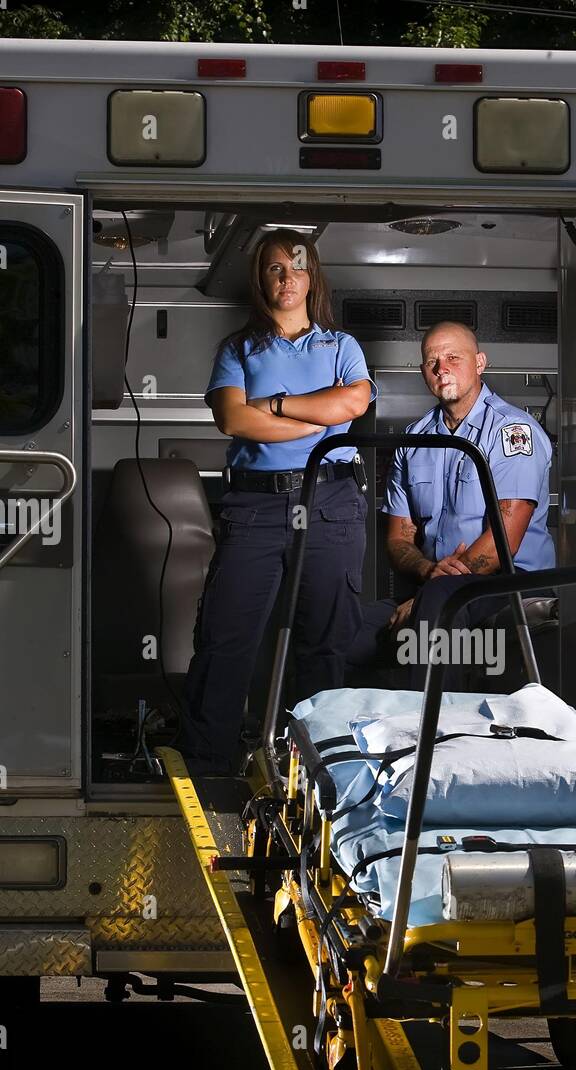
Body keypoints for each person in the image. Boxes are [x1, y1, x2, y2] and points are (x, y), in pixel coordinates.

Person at [177, 228, 376, 772]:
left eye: (298, 266)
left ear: (314, 277)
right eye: (275, 269)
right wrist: (315, 418)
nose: (287, 278)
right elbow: (233, 418)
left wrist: (278, 405)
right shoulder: (238, 348)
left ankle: (316, 771)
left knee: (325, 644)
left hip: (331, 503)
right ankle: (207, 766)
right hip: (256, 509)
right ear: (261, 279)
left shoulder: (341, 346)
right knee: (227, 638)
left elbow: (352, 403)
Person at [376, 321, 554, 687]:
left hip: (509, 582)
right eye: (431, 361)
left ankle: (434, 738)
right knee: (342, 625)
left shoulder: (512, 432)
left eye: (453, 357)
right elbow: (397, 539)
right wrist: (426, 573)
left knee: (440, 602)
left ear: (480, 363)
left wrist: (428, 595)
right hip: (433, 583)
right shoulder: (414, 439)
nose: (442, 368)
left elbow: (505, 540)